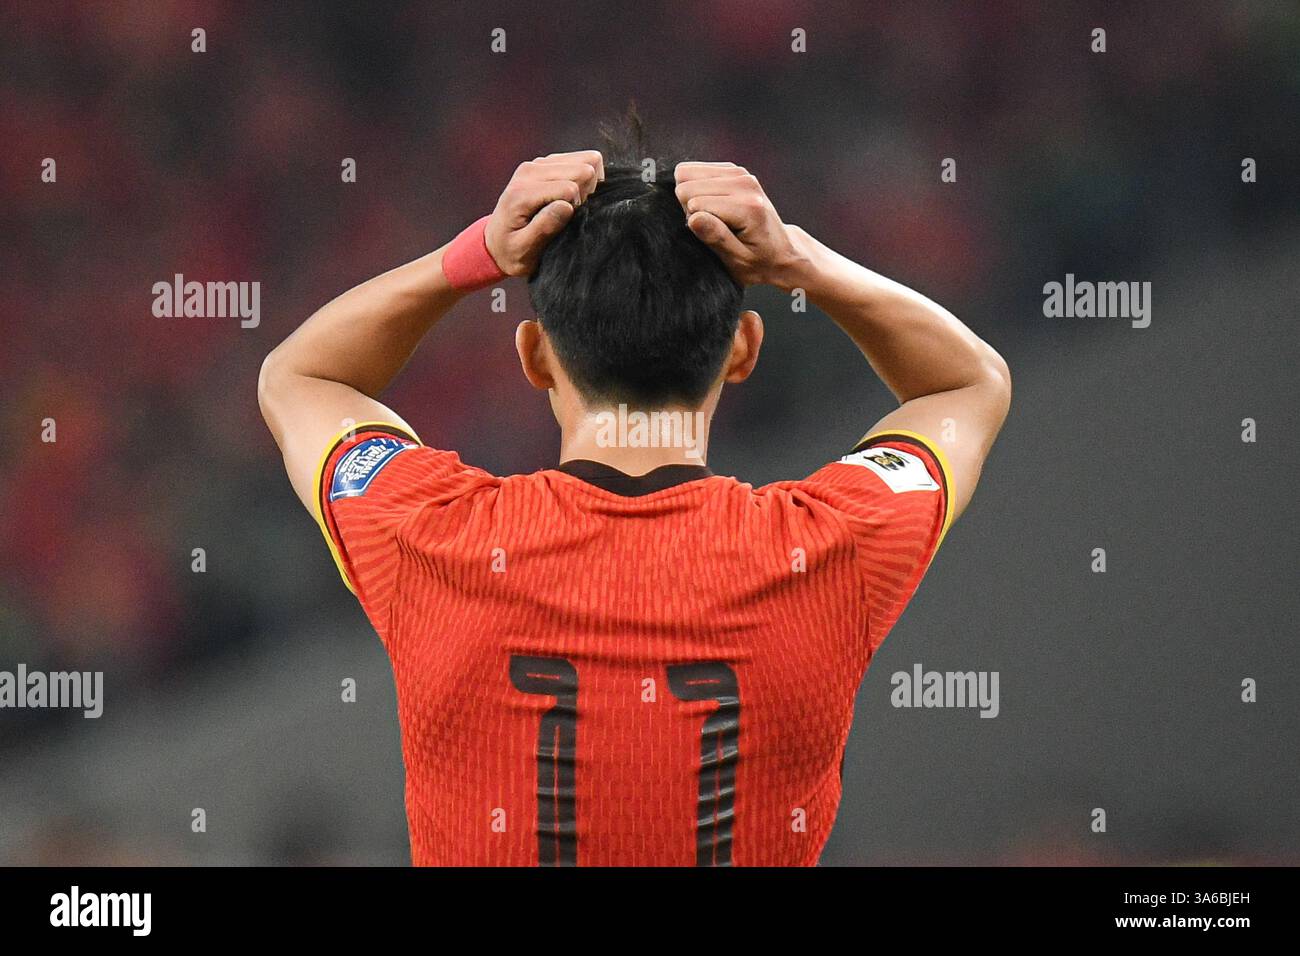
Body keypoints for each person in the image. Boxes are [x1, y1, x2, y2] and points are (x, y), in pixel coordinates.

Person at [258, 141, 1011, 866]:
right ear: (744, 349)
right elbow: (967, 384)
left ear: (532, 355)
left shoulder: (428, 535)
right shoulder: (831, 548)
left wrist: (475, 255)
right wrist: (798, 261)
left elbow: (300, 379)